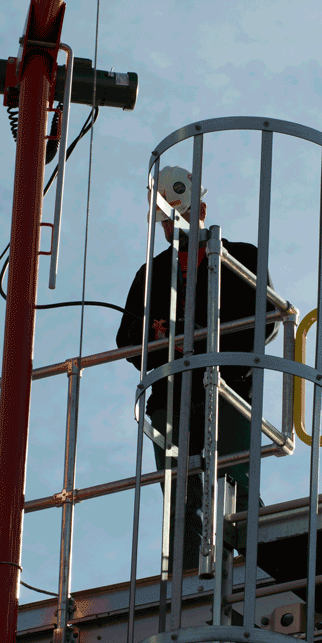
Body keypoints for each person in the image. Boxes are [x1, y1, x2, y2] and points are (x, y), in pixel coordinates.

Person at [116, 165, 274, 571]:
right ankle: (186, 579)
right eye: (166, 220)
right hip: (170, 396)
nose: (173, 225)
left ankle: (258, 569)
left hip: (228, 387)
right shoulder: (151, 273)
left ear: (201, 209)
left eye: (180, 214)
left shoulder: (242, 257)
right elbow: (128, 342)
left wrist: (198, 338)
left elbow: (265, 320)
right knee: (181, 497)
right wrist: (159, 339)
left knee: (235, 484)